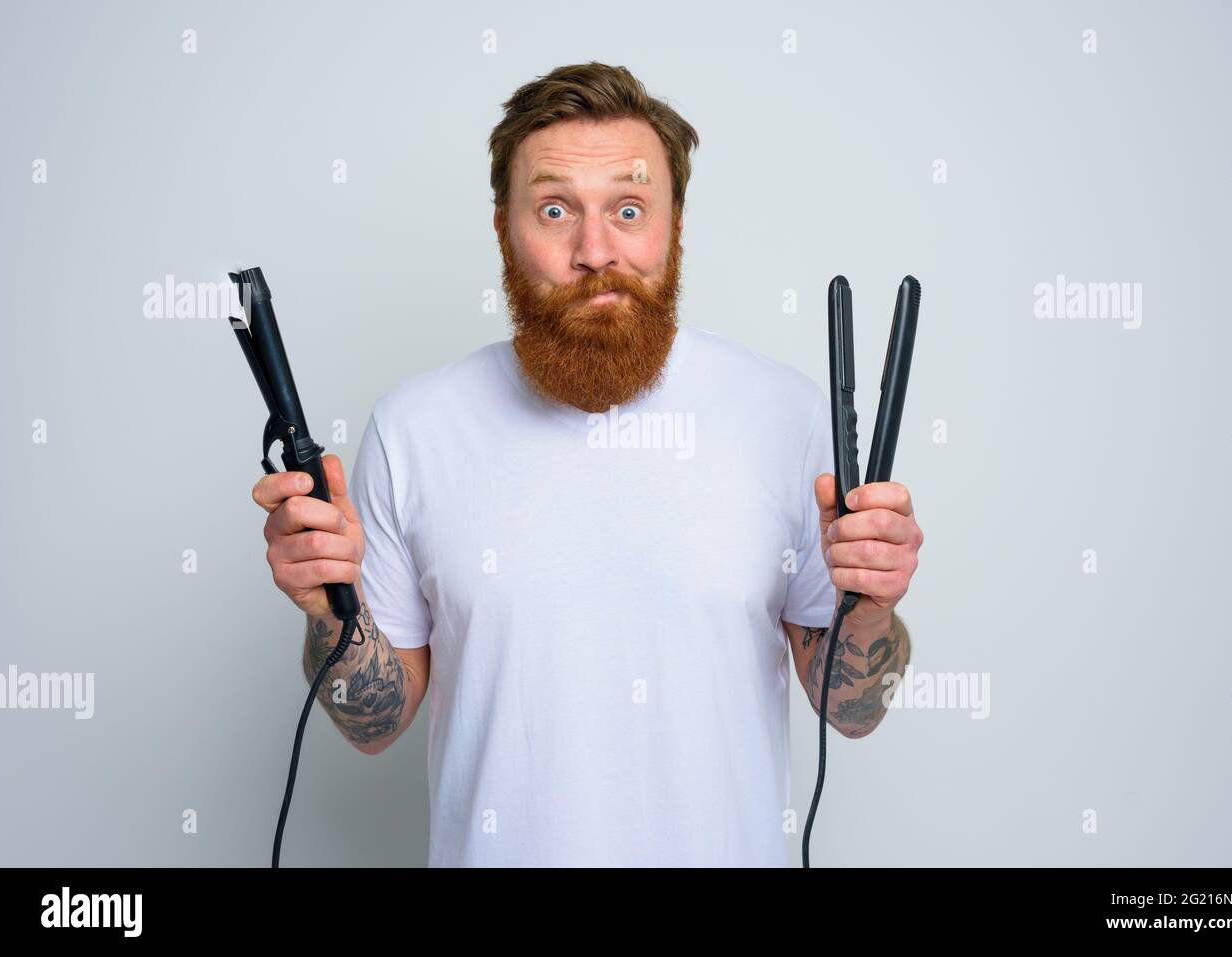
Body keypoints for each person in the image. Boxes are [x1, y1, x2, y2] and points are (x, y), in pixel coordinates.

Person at [251, 62, 923, 866]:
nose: (595, 249)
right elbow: (375, 721)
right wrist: (329, 609)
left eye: (629, 209)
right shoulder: (414, 428)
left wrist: (873, 606)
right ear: (504, 226)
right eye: (556, 209)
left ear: (674, 224)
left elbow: (851, 711)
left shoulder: (787, 415)